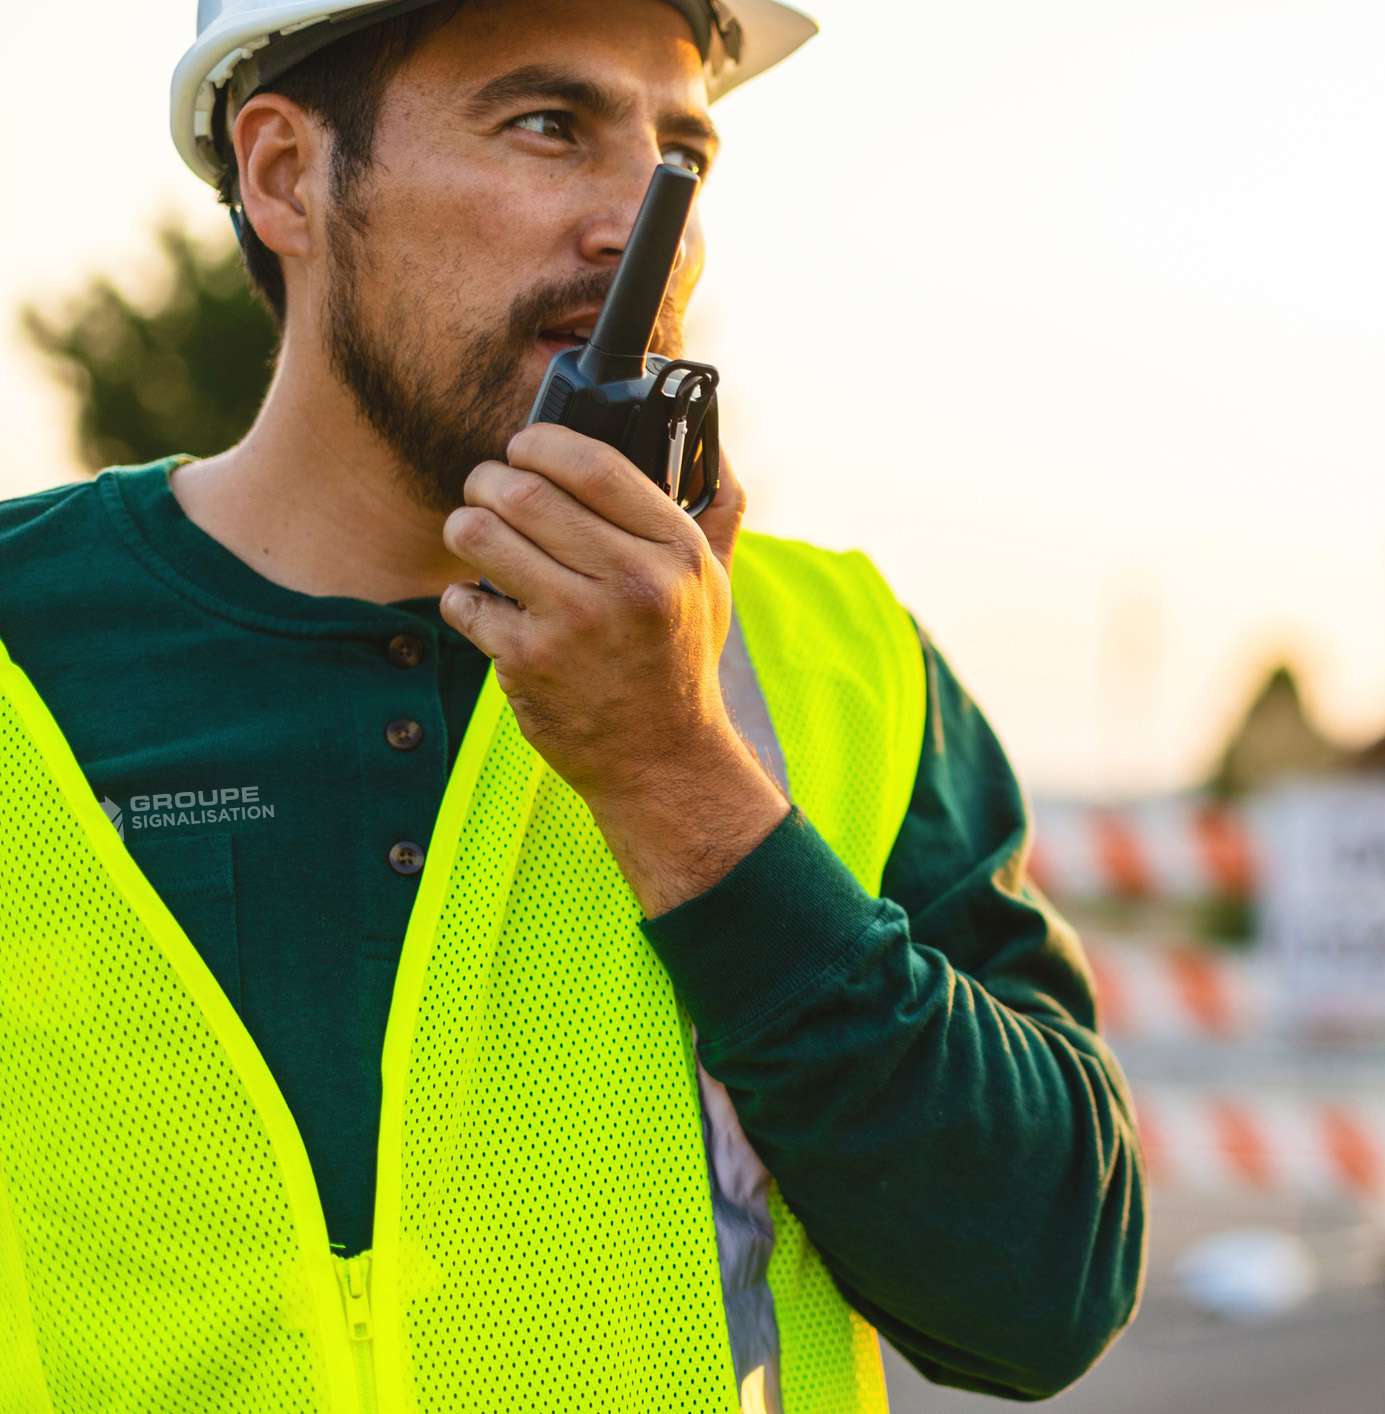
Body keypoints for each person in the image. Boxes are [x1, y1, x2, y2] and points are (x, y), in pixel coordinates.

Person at [0, 0, 1147, 1409]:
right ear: (285, 174)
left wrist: (679, 773)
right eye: (547, 127)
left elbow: (1040, 1295)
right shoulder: (24, 642)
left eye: (682, 153)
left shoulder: (833, 654)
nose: (632, 229)